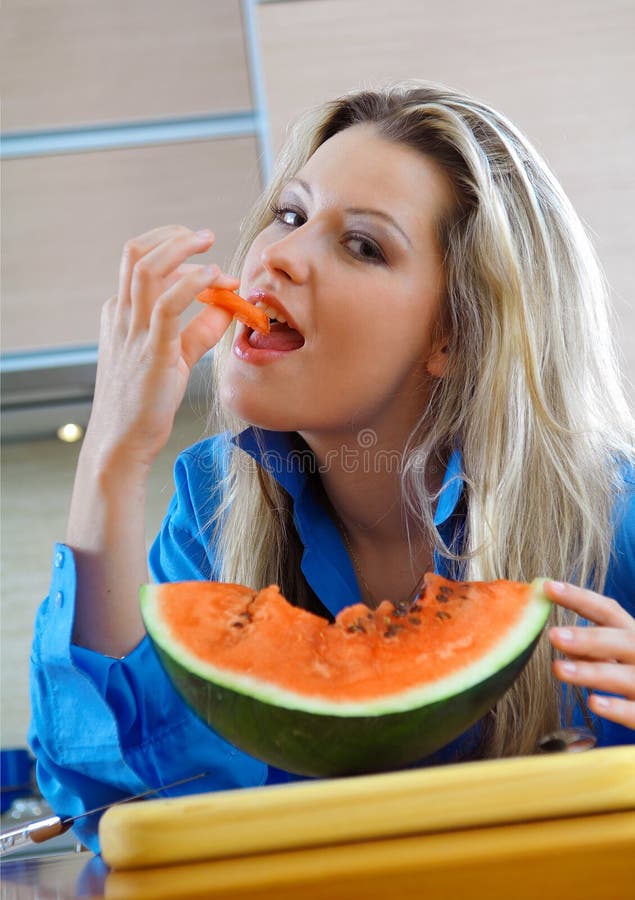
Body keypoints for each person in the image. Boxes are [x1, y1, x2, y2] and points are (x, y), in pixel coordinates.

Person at [29, 81, 634, 853]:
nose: (277, 256)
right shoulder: (215, 503)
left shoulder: (615, 516)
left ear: (449, 336)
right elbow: (109, 801)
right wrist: (115, 451)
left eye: (362, 245)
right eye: (290, 214)